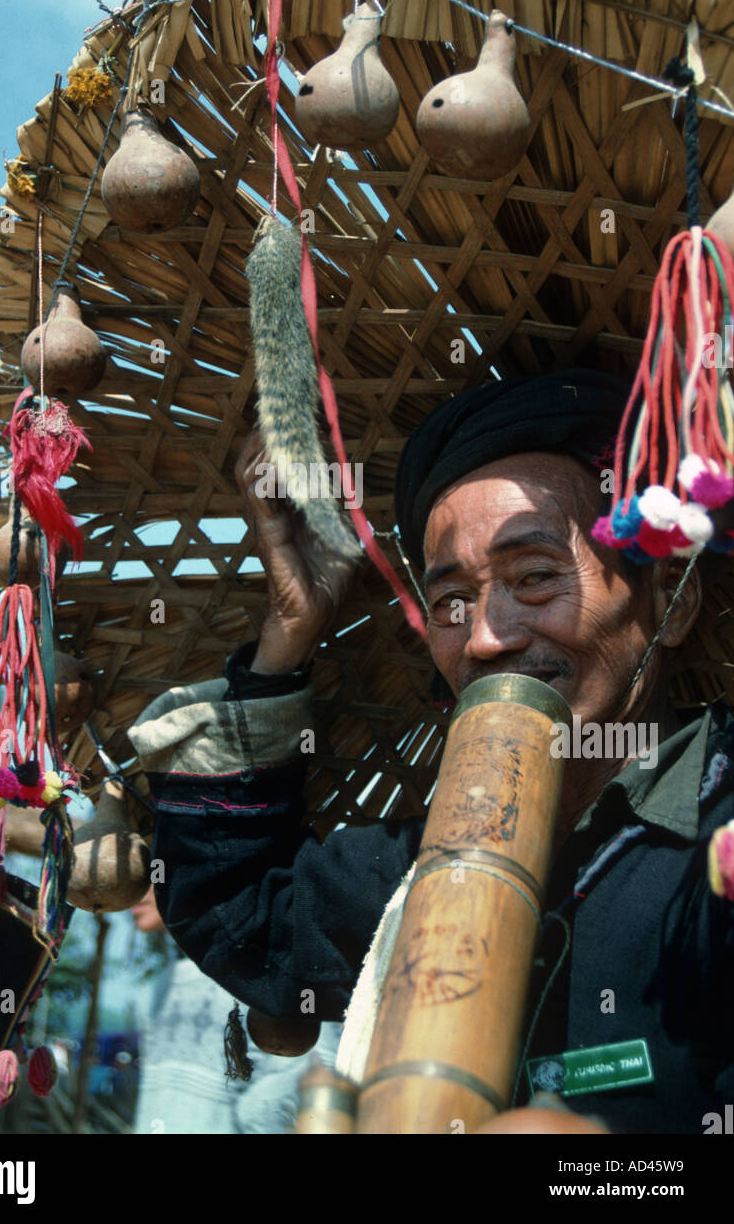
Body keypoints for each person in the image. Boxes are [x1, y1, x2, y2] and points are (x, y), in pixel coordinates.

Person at [128, 369, 734, 1133]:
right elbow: (242, 915)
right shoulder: (425, 866)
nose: (485, 636)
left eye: (536, 578)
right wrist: (290, 628)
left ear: (669, 599)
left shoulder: (722, 833)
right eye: (451, 600)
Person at [131, 886, 340, 1134]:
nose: (140, 891)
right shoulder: (166, 981)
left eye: (155, 870)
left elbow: (316, 1071)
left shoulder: (256, 971)